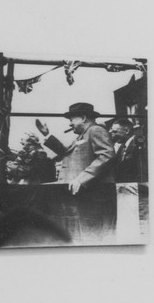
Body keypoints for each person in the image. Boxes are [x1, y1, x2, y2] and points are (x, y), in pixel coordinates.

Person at [37, 102, 118, 242]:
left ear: (83, 118)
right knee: (86, 233)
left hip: (95, 196)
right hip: (87, 196)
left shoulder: (96, 130)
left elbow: (107, 155)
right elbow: (65, 151)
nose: (70, 124)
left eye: (71, 119)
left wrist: (82, 179)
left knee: (94, 235)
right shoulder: (82, 136)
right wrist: (47, 135)